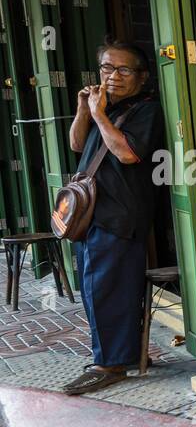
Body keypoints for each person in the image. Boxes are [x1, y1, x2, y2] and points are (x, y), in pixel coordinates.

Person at [61, 39, 166, 396]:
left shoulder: (147, 110)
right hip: (92, 214)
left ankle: (108, 364)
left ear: (142, 76)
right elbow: (77, 144)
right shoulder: (100, 105)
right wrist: (84, 109)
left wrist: (101, 114)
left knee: (109, 290)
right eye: (107, 68)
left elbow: (127, 154)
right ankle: (125, 355)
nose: (114, 77)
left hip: (120, 214)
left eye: (124, 70)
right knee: (97, 290)